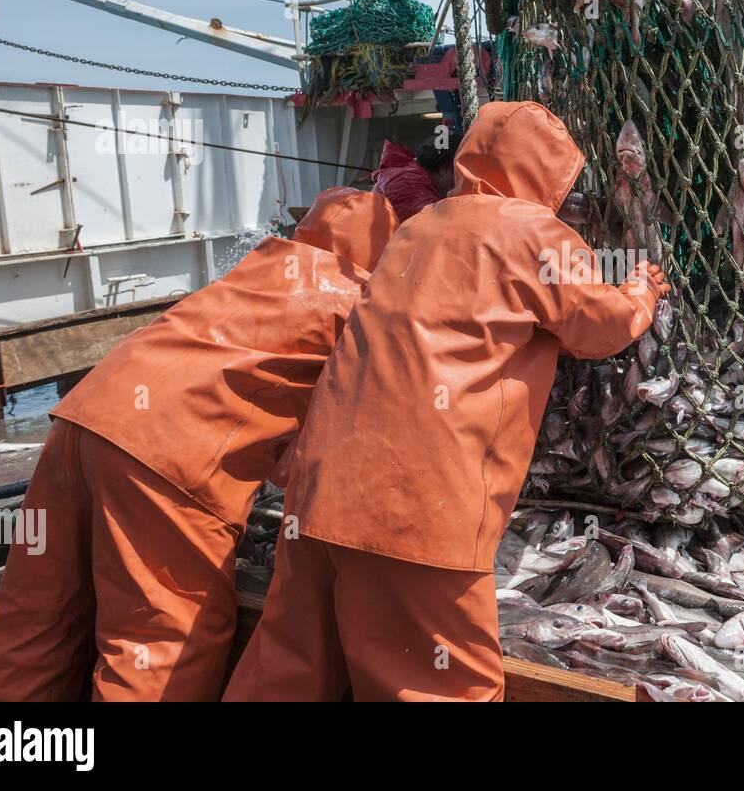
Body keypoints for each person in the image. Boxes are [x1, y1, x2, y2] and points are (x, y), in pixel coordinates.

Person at [224, 101, 670, 702]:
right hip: (419, 512)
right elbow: (600, 325)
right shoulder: (532, 230)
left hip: (319, 499)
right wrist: (641, 289)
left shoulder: (418, 226)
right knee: (443, 687)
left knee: (287, 674)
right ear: (550, 177)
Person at [0, 188, 400, 702]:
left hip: (77, 425)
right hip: (167, 458)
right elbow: (315, 459)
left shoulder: (253, 272)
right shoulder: (356, 309)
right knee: (158, 640)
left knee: (34, 612)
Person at [372, 127, 463, 221]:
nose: (464, 180)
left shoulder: (412, 177)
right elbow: (438, 227)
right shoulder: (409, 186)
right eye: (461, 173)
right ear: (444, 169)